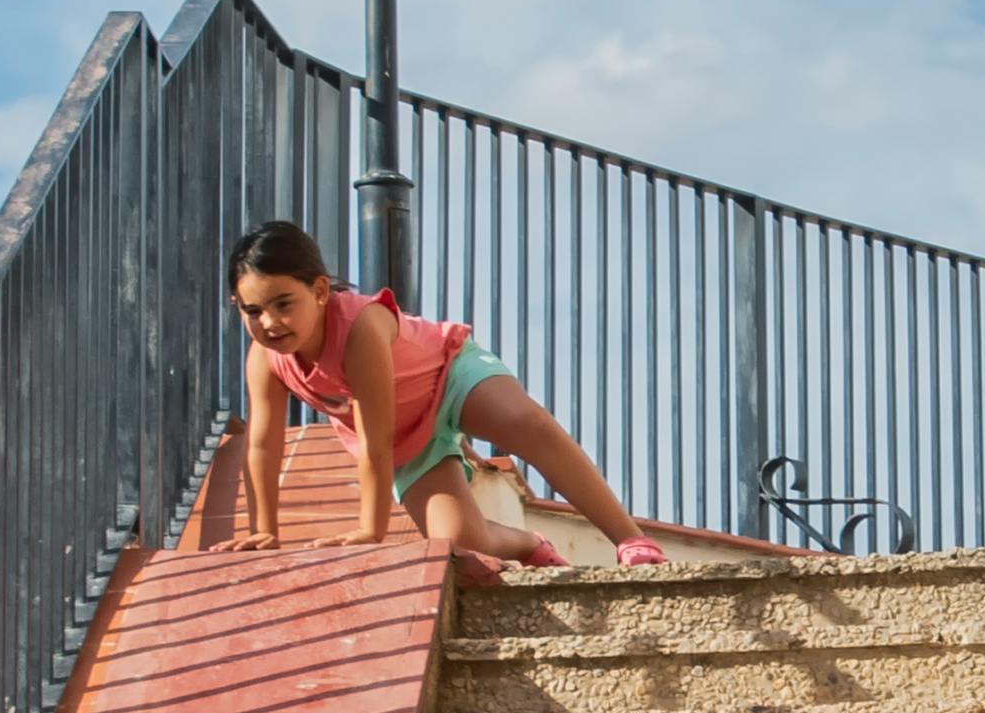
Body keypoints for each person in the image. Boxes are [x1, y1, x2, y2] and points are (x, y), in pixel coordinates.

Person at [228, 221, 669, 582]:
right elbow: (264, 445)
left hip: (450, 376)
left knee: (526, 424)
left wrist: (371, 529)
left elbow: (373, 439)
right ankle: (528, 544)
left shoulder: (359, 328)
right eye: (253, 311)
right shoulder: (265, 360)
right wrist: (263, 530)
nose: (270, 322)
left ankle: (630, 540)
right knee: (458, 546)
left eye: (284, 304)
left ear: (321, 291)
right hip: (408, 437)